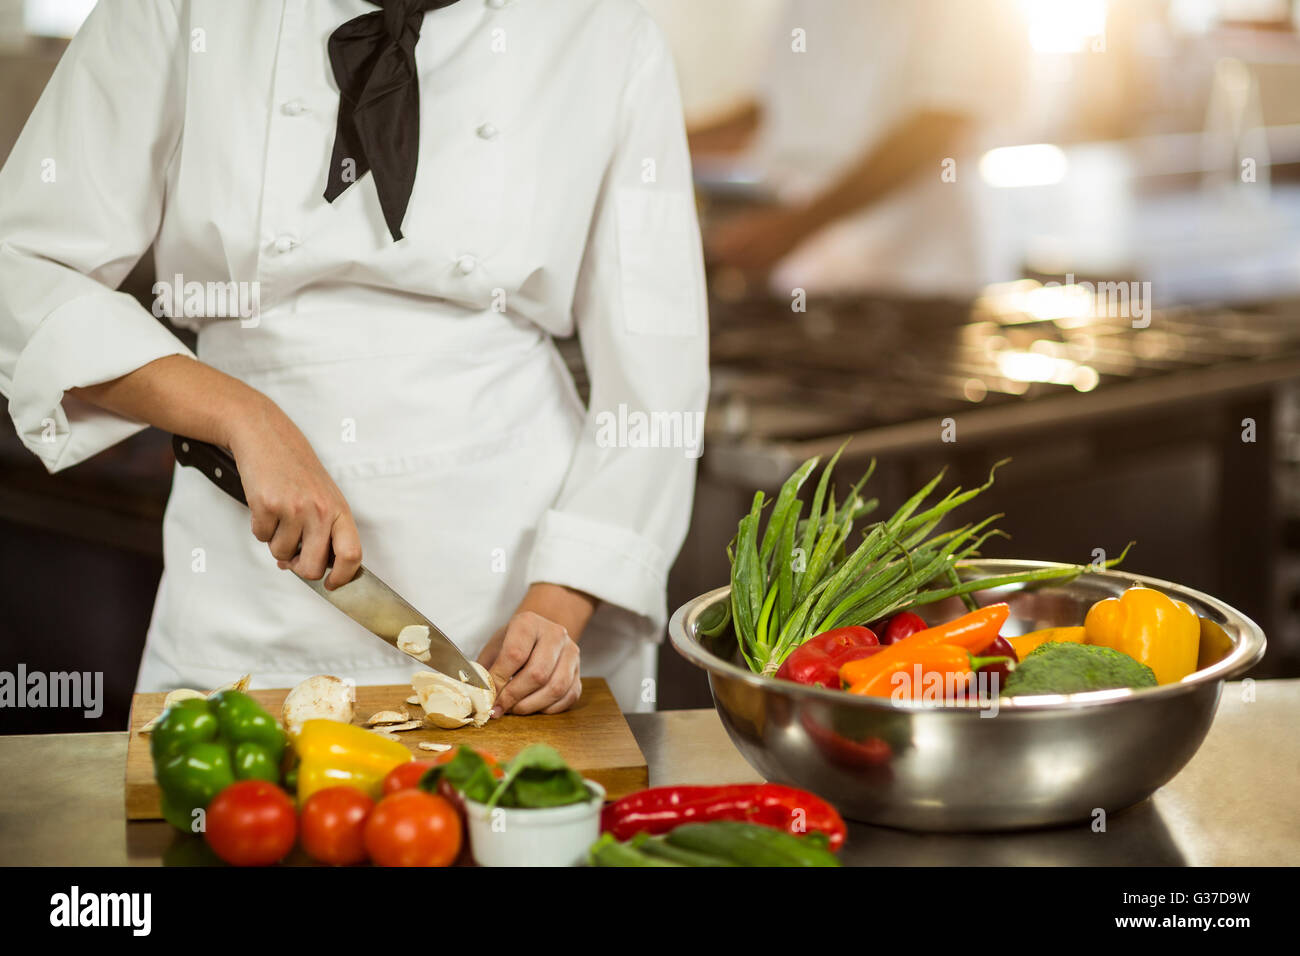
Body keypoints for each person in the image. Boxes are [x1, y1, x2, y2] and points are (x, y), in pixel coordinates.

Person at [0, 0, 708, 715]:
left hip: (512, 595)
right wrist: (242, 416)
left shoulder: (608, 32)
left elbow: (658, 380)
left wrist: (559, 605)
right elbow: (22, 270)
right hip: (246, 599)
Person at [700, 0, 1028, 298]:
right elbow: (775, 107)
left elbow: (943, 121)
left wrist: (800, 224)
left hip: (923, 265)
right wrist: (663, 135)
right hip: (813, 265)